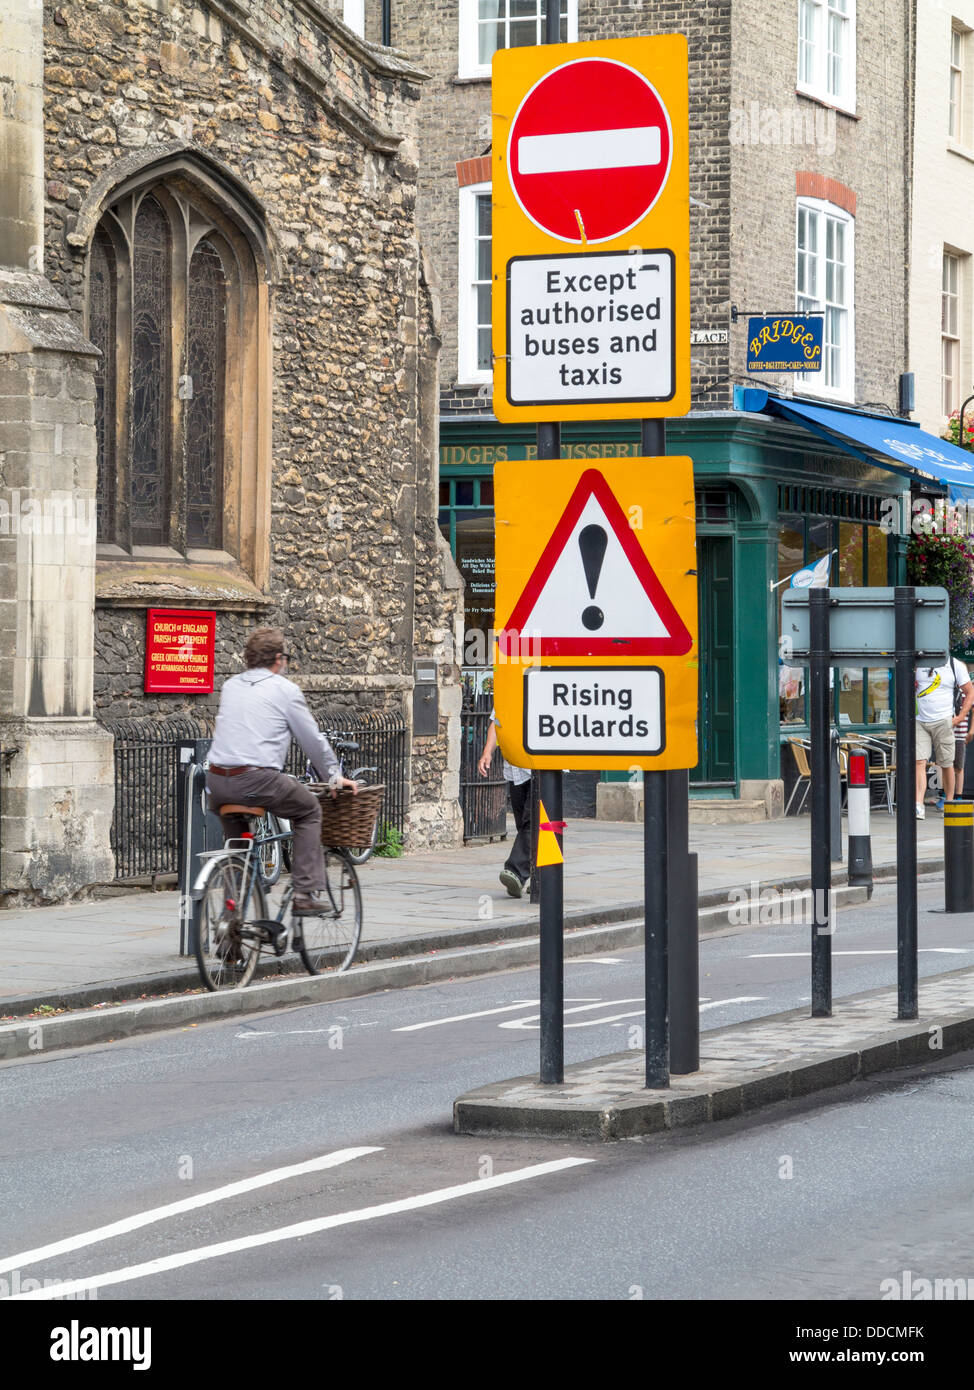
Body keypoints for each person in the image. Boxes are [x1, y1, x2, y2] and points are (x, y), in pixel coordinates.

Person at [207, 627, 358, 913]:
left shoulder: (231, 686)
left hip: (217, 782)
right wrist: (334, 777)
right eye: (285, 657)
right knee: (310, 811)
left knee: (238, 846)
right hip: (256, 779)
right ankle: (304, 894)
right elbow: (312, 740)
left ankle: (231, 924)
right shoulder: (285, 690)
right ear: (278, 659)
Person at [478, 710, 533, 898]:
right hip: (516, 766)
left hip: (544, 765)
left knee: (532, 823)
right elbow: (497, 721)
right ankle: (543, 875)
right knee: (523, 825)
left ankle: (516, 871)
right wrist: (487, 753)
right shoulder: (510, 688)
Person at [915, 656, 974, 819]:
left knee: (947, 763)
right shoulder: (918, 663)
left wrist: (961, 717)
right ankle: (918, 804)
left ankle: (949, 802)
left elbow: (970, 692)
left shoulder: (955, 665)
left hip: (944, 720)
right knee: (919, 761)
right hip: (919, 720)